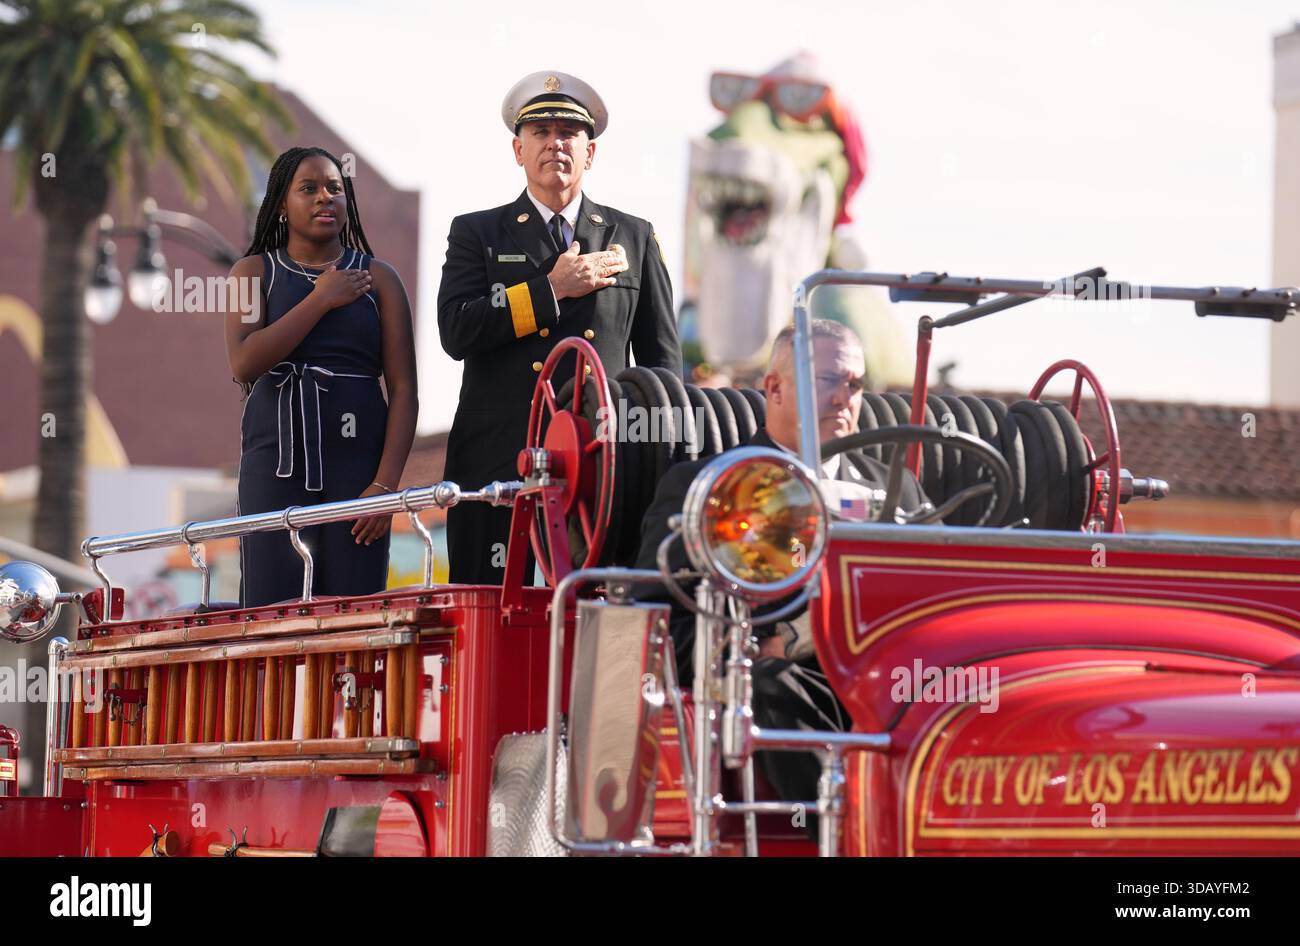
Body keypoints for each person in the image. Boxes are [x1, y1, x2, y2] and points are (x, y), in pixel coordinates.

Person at [634, 319, 927, 822]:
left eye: (854, 384)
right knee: (771, 685)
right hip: (785, 684)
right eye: (826, 380)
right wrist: (759, 644)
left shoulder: (897, 491)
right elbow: (658, 626)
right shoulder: (708, 487)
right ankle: (859, 829)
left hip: (892, 680)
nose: (843, 398)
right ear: (774, 387)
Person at [438, 70, 681, 584]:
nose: (555, 145)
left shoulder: (632, 237)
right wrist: (550, 289)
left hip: (600, 467)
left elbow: (663, 367)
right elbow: (456, 332)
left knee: (593, 620)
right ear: (518, 150)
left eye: (568, 134)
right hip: (498, 463)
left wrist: (657, 462)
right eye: (541, 133)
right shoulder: (476, 232)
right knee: (493, 623)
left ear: (589, 152)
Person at [225, 147, 418, 607]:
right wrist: (321, 298)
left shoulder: (380, 278)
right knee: (271, 615)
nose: (324, 198)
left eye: (335, 188)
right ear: (280, 205)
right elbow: (244, 362)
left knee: (353, 614)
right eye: (308, 189)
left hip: (357, 474)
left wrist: (385, 488)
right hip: (275, 468)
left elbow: (405, 389)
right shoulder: (251, 273)